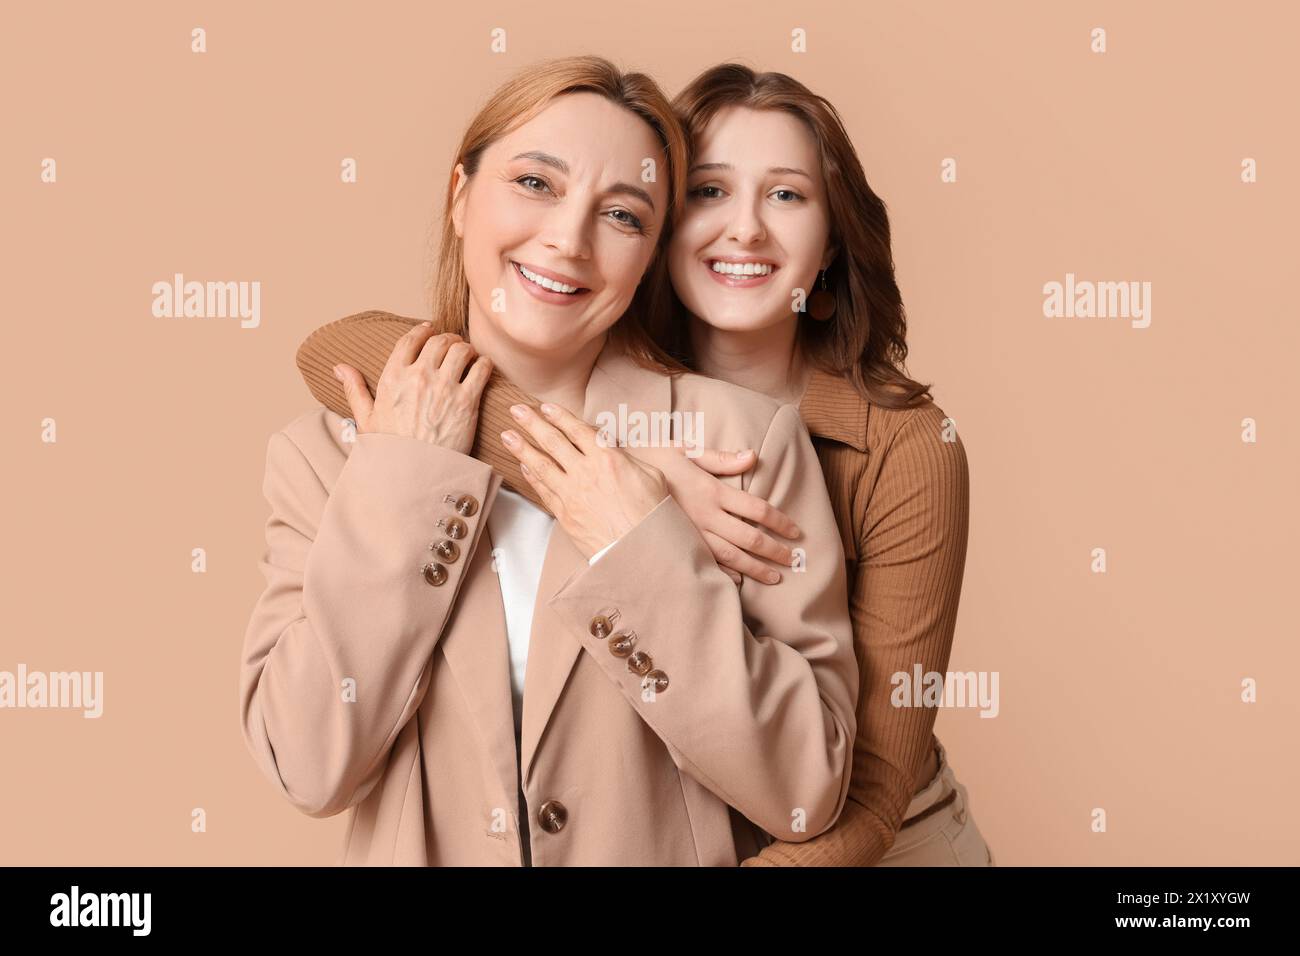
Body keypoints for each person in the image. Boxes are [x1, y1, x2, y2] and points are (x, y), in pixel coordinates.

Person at [239, 56, 858, 866]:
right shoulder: (325, 454)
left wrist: (642, 548)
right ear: (460, 197)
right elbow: (306, 765)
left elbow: (807, 785)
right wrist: (404, 479)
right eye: (536, 183)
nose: (567, 240)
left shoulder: (741, 447)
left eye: (624, 215)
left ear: (648, 257)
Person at [657, 63, 994, 866]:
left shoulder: (907, 446)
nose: (744, 228)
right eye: (708, 191)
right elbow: (343, 350)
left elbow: (873, 794)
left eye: (786, 195)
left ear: (833, 246)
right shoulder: (599, 380)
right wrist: (639, 466)